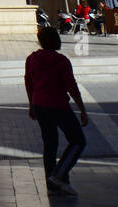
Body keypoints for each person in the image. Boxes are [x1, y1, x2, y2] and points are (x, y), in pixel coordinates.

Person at [25, 26, 88, 196]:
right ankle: (59, 176)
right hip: (58, 105)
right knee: (78, 140)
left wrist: (31, 105)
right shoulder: (61, 61)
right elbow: (72, 87)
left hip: (40, 105)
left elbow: (29, 83)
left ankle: (52, 185)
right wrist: (82, 109)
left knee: (50, 144)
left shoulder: (32, 59)